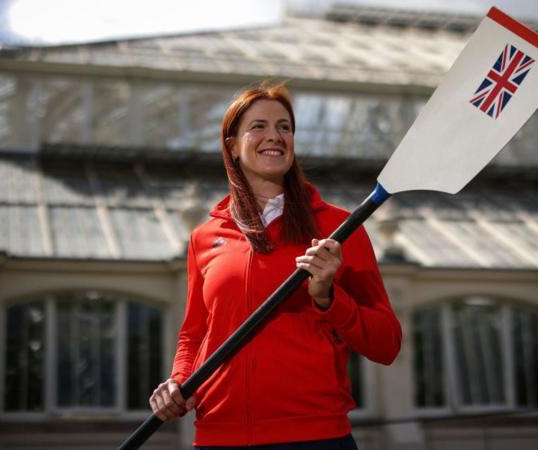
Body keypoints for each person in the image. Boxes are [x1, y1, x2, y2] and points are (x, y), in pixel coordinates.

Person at [149, 82, 402, 449]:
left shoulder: (337, 229)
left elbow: (387, 344)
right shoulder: (204, 237)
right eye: (259, 126)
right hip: (220, 437)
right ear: (232, 146)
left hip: (314, 437)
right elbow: (195, 334)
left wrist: (329, 298)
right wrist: (178, 383)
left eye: (284, 127)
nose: (275, 136)